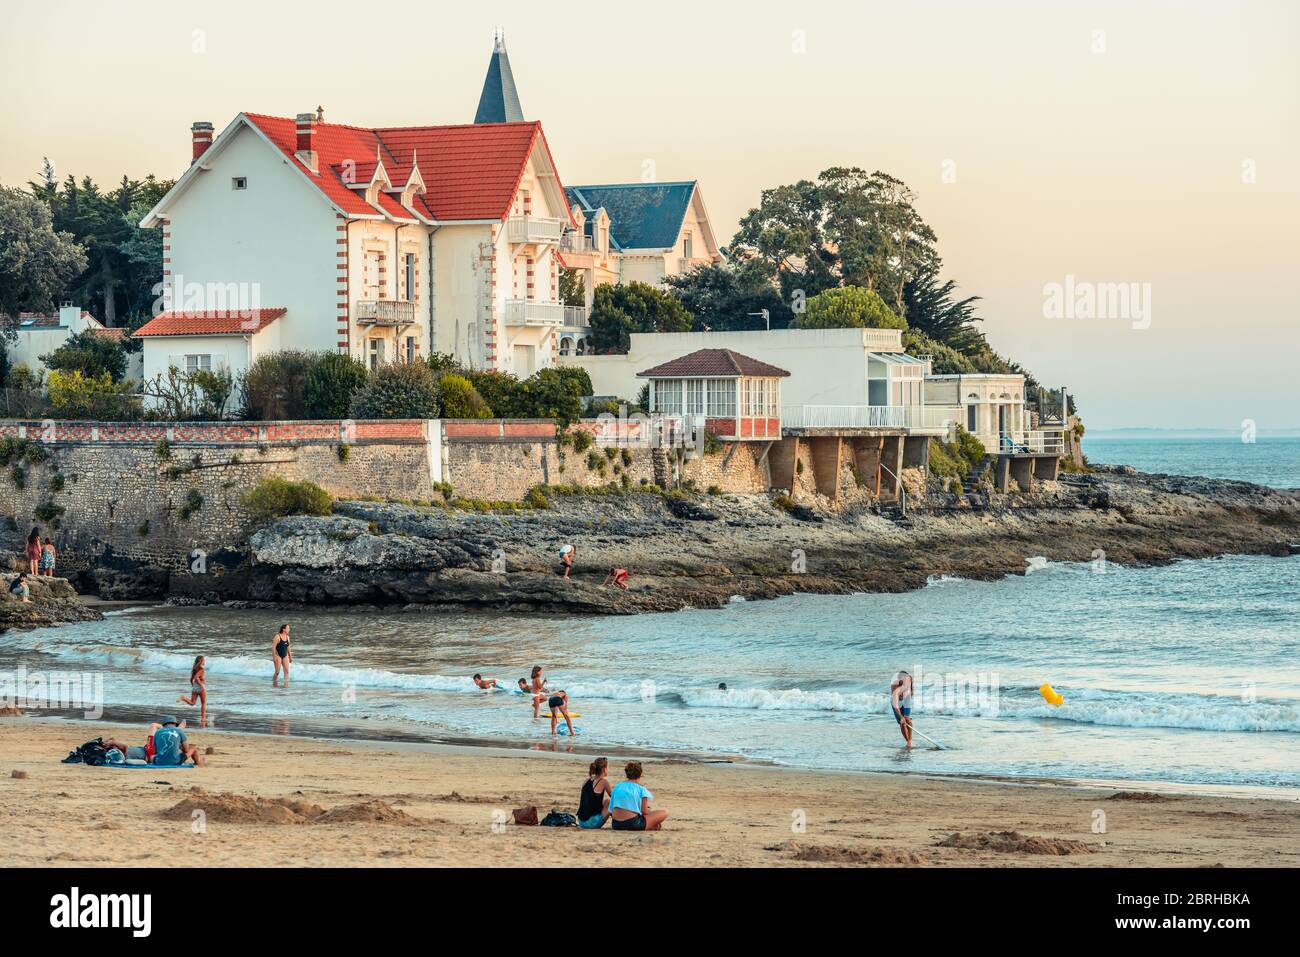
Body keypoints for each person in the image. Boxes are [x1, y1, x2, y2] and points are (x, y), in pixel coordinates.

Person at [103, 716, 204, 767]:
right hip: (151, 752)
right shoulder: (120, 753)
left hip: (152, 754)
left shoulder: (115, 752)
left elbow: (156, 750)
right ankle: (178, 729)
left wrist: (112, 741)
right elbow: (124, 747)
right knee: (191, 748)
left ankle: (173, 729)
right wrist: (113, 743)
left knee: (154, 727)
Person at [609, 761, 667, 831]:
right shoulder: (641, 789)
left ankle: (651, 826)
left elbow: (611, 809)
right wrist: (650, 812)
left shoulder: (617, 787)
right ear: (640, 774)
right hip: (633, 823)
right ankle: (651, 826)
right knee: (664, 812)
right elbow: (644, 811)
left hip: (616, 824)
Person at [578, 757, 612, 828]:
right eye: (608, 767)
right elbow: (614, 797)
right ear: (604, 769)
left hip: (581, 822)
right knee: (610, 802)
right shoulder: (603, 781)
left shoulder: (587, 780)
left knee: (606, 801)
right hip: (591, 823)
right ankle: (619, 820)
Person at [176, 655, 207, 726]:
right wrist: (201, 685)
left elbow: (191, 679)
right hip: (201, 687)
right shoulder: (202, 669)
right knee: (203, 703)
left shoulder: (194, 668)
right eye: (204, 660)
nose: (205, 661)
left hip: (195, 687)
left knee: (192, 703)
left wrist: (193, 686)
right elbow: (196, 678)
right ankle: (203, 718)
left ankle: (183, 698)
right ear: (201, 661)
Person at [890, 670, 914, 748]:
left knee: (907, 719)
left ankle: (910, 740)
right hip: (896, 702)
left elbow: (909, 694)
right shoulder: (894, 687)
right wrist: (901, 717)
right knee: (902, 723)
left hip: (906, 700)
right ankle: (908, 742)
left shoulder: (909, 682)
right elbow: (896, 706)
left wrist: (905, 716)